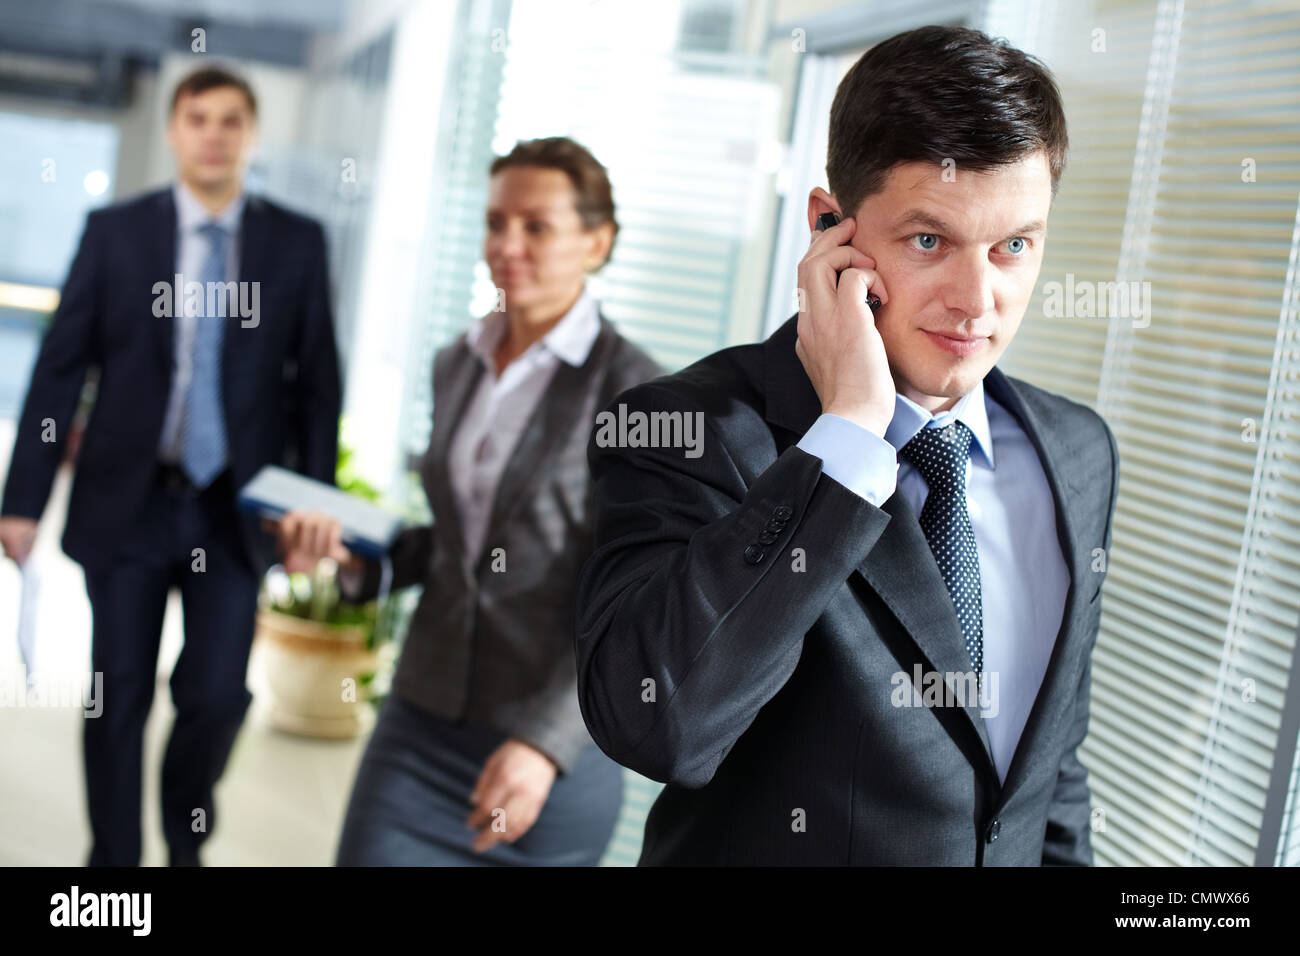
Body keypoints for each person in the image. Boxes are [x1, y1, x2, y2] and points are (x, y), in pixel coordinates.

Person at [574, 25, 1121, 866]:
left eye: (1014, 246)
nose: (979, 301)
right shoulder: (691, 434)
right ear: (831, 228)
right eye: (930, 241)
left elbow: (1048, 776)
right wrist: (851, 436)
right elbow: (658, 728)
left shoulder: (1078, 452)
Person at [279, 137, 661, 865]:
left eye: (536, 226)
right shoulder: (457, 363)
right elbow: (458, 544)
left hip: (550, 753)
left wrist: (543, 745)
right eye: (495, 223)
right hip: (423, 718)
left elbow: (636, 602)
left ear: (596, 241)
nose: (505, 245)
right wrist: (351, 555)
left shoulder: (640, 393)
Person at [0, 65, 342, 866]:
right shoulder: (116, 232)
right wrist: (22, 499)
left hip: (235, 508)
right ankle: (115, 865)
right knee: (115, 694)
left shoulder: (296, 242)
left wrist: (311, 510)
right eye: (198, 118)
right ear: (173, 130)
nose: (214, 134)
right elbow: (60, 371)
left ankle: (185, 841)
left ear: (251, 134)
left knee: (217, 695)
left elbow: (316, 385)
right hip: (129, 500)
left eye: (230, 120)